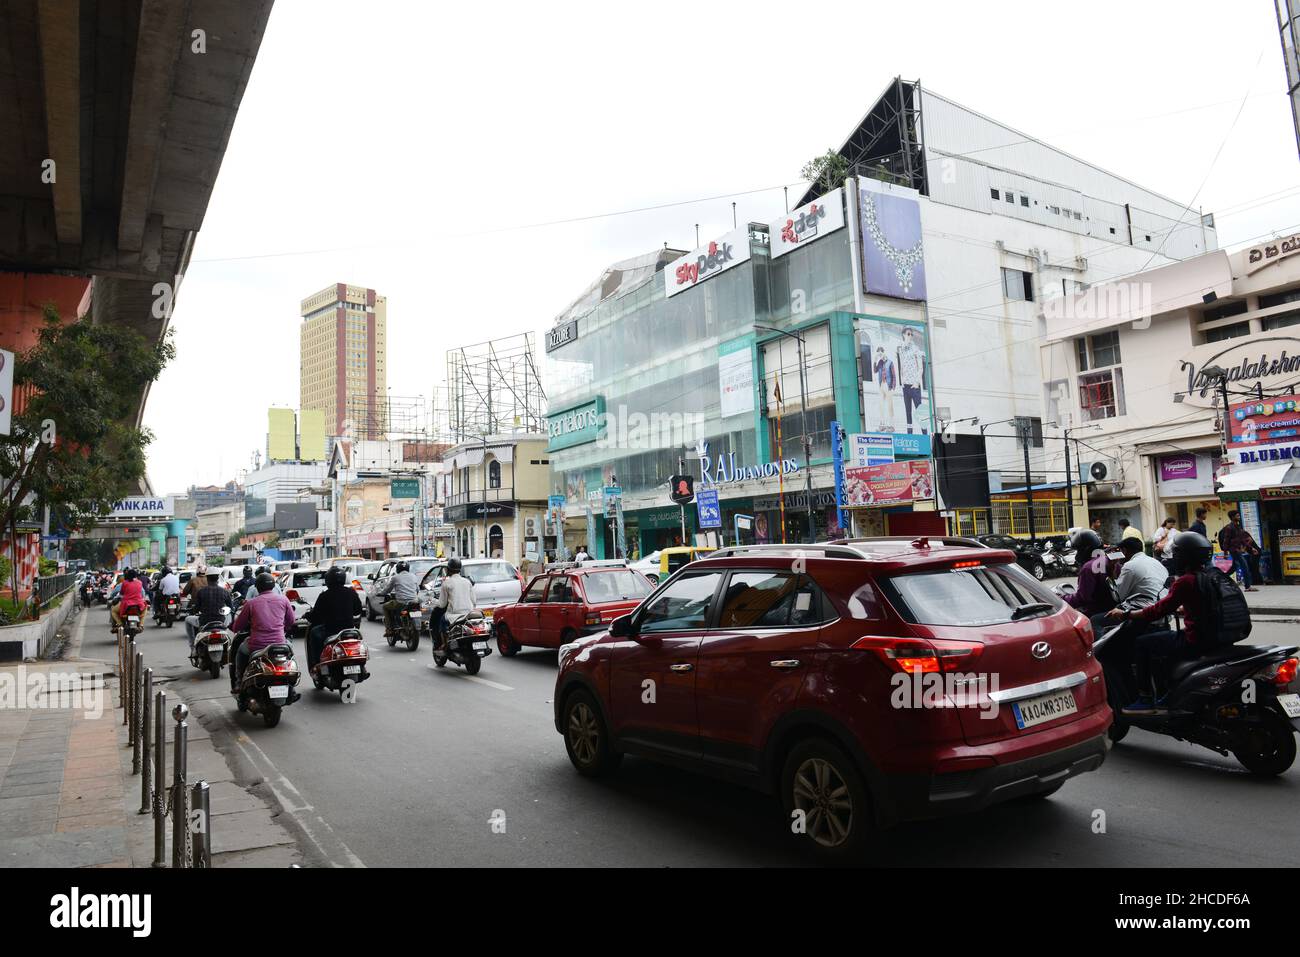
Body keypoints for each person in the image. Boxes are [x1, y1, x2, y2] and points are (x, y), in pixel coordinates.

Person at [1106, 531, 1213, 713]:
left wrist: (1127, 615)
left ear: (1185, 557)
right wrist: (1183, 608)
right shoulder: (1214, 575)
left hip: (1196, 638)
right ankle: (1166, 690)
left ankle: (1146, 698)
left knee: (1143, 644)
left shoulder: (1186, 581)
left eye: (1177, 554)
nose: (1174, 558)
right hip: (1215, 635)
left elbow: (1157, 610)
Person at [229, 573, 295, 693]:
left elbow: (238, 626)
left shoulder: (251, 603)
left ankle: (239, 682)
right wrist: (282, 628)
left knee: (240, 652)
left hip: (257, 645)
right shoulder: (283, 599)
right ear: (273, 586)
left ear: (257, 587)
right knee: (290, 656)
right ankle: (291, 685)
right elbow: (291, 621)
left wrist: (232, 627)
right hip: (280, 643)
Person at [306, 566, 363, 670]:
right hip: (349, 629)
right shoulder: (351, 592)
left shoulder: (324, 595)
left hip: (330, 631)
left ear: (328, 580)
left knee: (314, 632)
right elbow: (358, 610)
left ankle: (317, 663)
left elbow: (315, 616)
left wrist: (308, 616)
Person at [1062, 529, 1116, 618]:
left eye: (1078, 550)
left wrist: (1061, 599)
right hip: (1111, 607)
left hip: (1095, 611)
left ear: (1086, 549)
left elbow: (1082, 598)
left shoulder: (1088, 567)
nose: (1077, 555)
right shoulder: (1110, 560)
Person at [431, 557, 476, 647]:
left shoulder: (446, 583)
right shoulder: (467, 582)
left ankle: (444, 644)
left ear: (448, 569)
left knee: (441, 622)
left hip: (454, 615)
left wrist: (433, 601)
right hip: (469, 614)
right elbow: (474, 601)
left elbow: (442, 604)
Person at [185, 572, 231, 652]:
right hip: (221, 621)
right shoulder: (224, 591)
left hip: (204, 622)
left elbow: (196, 609)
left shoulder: (201, 592)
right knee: (230, 615)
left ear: (207, 579)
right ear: (217, 579)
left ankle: (192, 647)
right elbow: (230, 607)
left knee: (187, 619)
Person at [1218, 510, 1259, 591]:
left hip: (1238, 550)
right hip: (1234, 550)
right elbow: (1226, 540)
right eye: (1237, 516)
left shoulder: (1237, 526)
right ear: (1232, 517)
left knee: (1234, 567)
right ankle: (1248, 586)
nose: (1239, 517)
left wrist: (1251, 548)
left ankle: (1221, 578)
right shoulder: (1229, 528)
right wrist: (1225, 552)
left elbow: (1242, 540)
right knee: (1245, 566)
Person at [896, 326, 927, 435]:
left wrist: (917, 382)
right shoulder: (900, 348)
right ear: (903, 335)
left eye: (911, 334)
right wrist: (902, 382)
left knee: (919, 411)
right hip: (905, 385)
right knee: (907, 412)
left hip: (914, 385)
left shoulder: (916, 349)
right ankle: (909, 434)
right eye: (908, 334)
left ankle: (925, 434)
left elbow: (920, 368)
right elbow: (901, 366)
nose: (910, 336)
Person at [380, 561, 419, 637]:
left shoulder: (395, 577)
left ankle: (389, 629)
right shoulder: (414, 576)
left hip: (401, 602)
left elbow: (387, 590)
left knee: (385, 606)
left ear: (398, 569)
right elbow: (417, 589)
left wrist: (381, 593)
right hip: (414, 601)